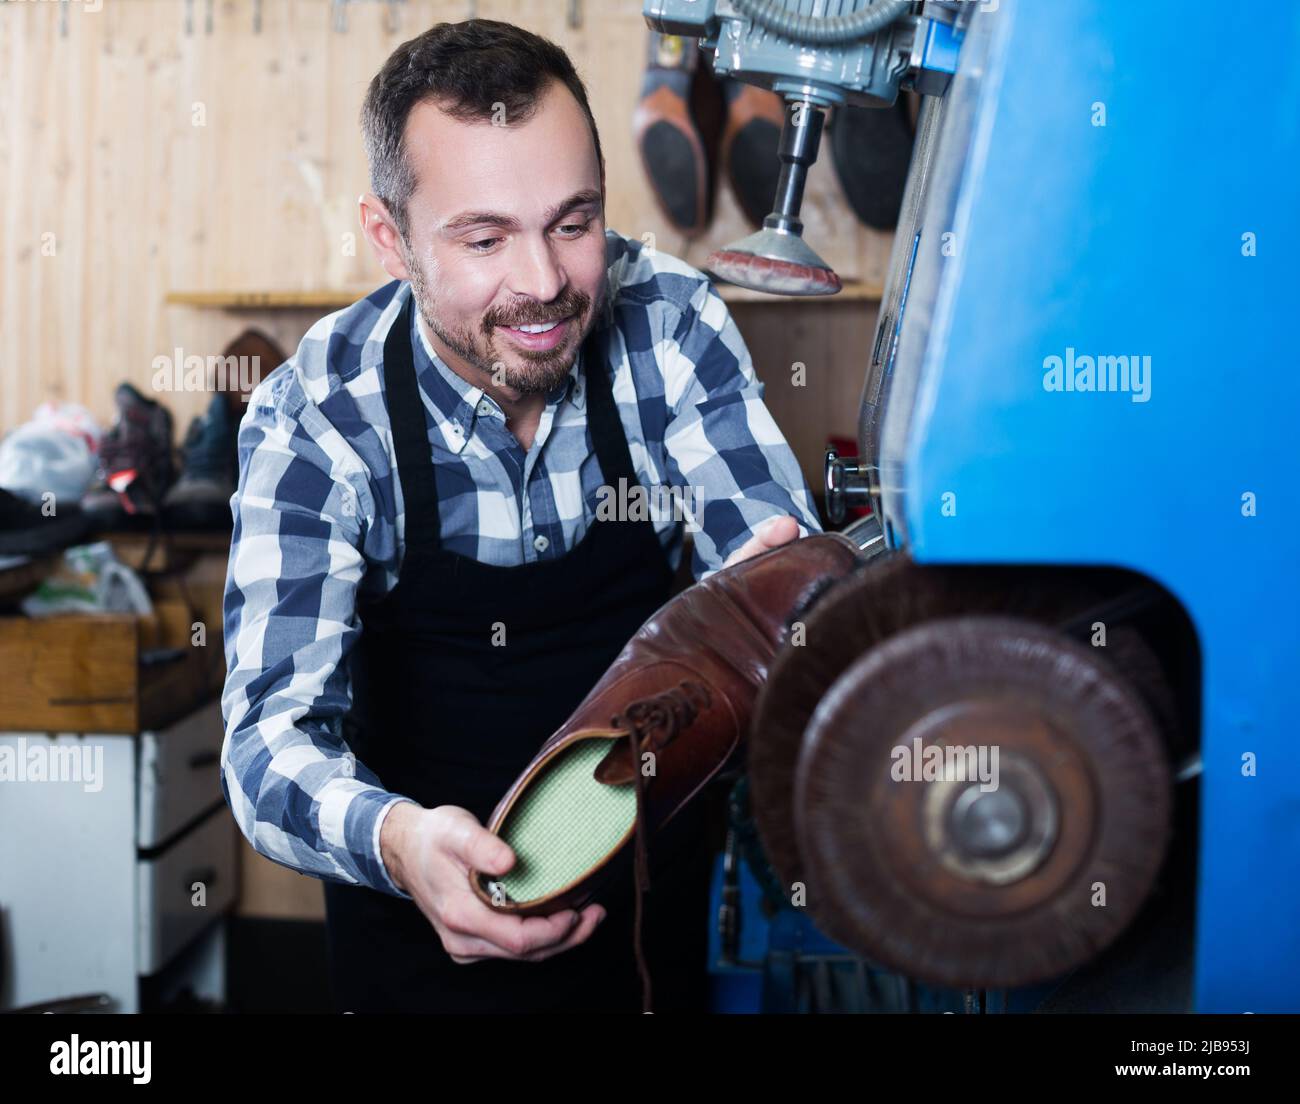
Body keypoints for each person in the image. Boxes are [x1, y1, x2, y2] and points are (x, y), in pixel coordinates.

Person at [219, 19, 822, 1013]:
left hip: (646, 930)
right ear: (390, 238)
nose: (544, 284)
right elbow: (267, 742)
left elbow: (775, 592)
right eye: (485, 237)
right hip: (416, 944)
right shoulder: (320, 417)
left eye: (574, 222)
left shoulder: (667, 326)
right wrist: (400, 843)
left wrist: (793, 607)